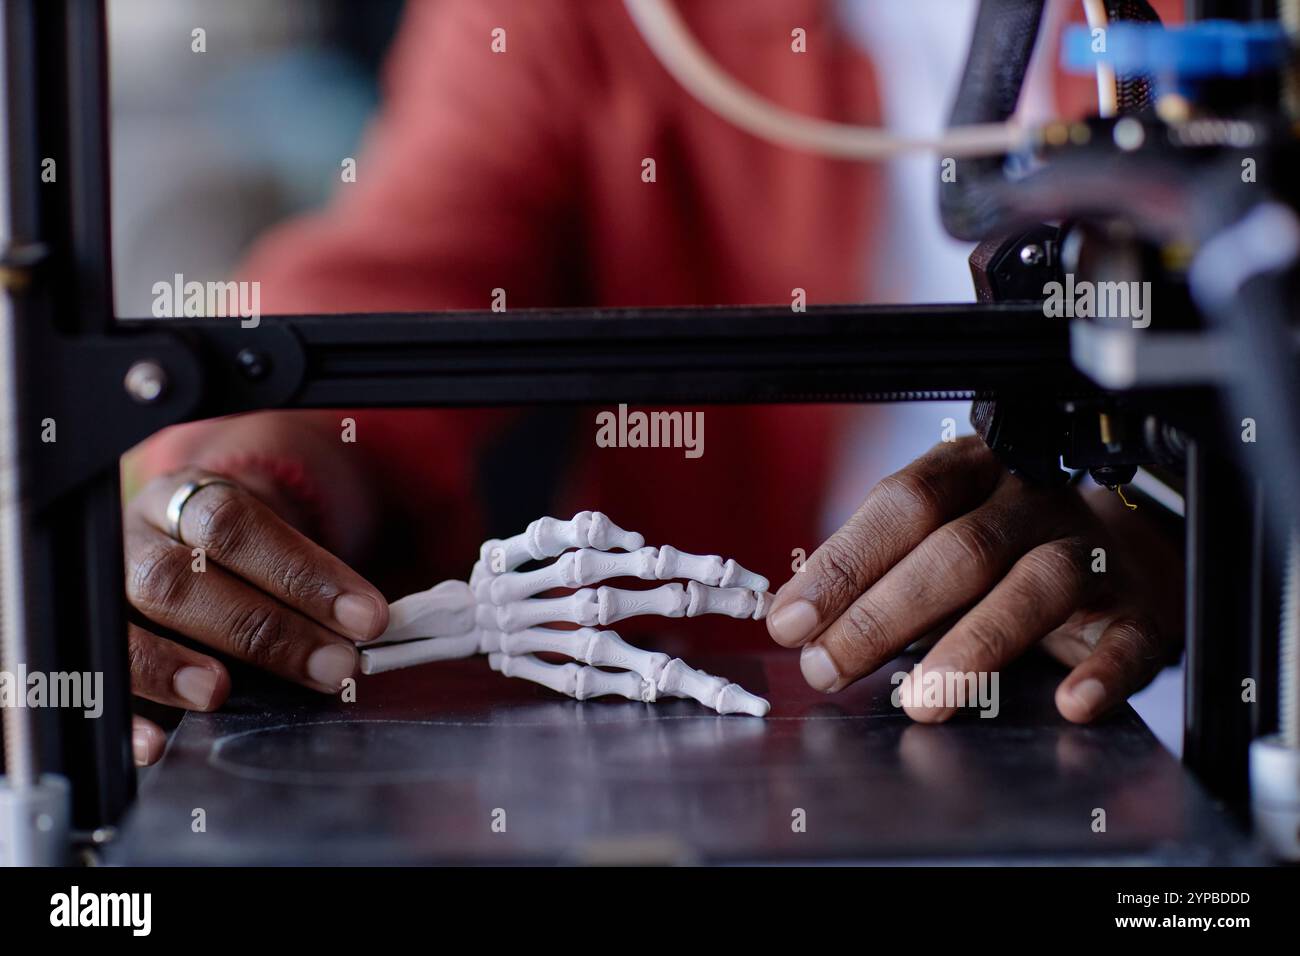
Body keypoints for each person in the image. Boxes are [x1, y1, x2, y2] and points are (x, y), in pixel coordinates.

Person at [124, 0, 1183, 766]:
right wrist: (237, 490)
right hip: (710, 784)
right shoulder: (595, 20)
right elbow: (390, 281)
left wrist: (1176, 512)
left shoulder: (1221, 36)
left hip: (1151, 744)